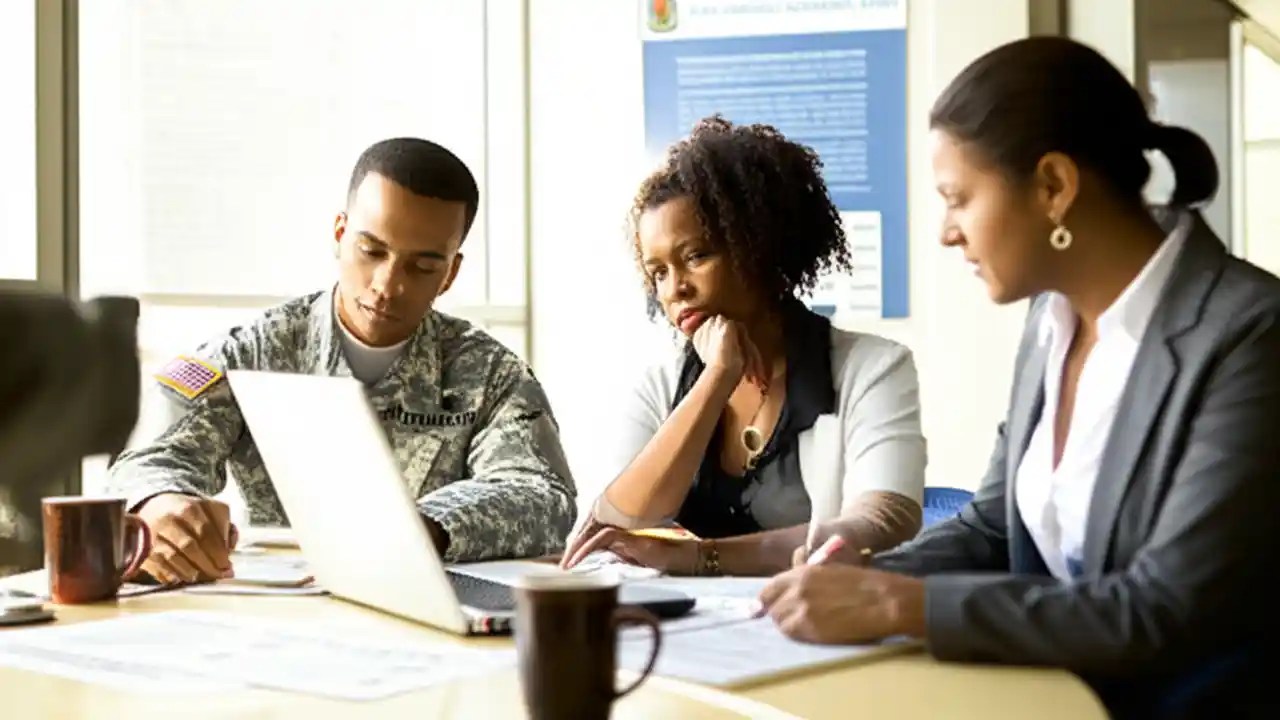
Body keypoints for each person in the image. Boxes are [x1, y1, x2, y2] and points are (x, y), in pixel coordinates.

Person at [756, 37, 1278, 716]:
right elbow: (995, 527)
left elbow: (1164, 608)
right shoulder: (1050, 320)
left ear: (1054, 186)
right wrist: (861, 575)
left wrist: (900, 603)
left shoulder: (1249, 333)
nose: (947, 232)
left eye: (957, 199)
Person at [105, 138, 577, 585]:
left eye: (423, 267)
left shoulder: (491, 374)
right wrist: (158, 501)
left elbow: (543, 495)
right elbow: (149, 457)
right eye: (371, 251)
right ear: (339, 233)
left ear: (450, 272)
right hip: (277, 604)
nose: (387, 285)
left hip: (427, 607)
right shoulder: (252, 351)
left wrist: (424, 527)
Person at [560, 116, 926, 577]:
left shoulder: (873, 368)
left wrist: (701, 557)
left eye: (696, 256)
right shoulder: (661, 385)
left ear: (759, 248)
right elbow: (615, 526)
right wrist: (715, 379)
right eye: (659, 272)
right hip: (677, 615)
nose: (675, 289)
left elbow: (882, 522)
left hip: (809, 609)